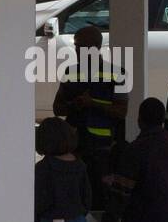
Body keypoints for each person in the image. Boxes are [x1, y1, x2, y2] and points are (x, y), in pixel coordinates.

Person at [52, 24, 127, 210]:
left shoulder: (117, 74)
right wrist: (73, 105)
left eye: (81, 46)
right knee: (74, 196)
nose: (76, 50)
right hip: (75, 147)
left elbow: (121, 111)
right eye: (76, 46)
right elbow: (57, 108)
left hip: (103, 149)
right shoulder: (71, 72)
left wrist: (92, 103)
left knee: (101, 197)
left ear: (94, 47)